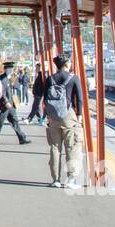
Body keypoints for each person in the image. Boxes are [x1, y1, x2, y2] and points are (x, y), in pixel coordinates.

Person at [41, 54, 85, 188]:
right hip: (68, 115)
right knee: (72, 147)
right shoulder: (73, 78)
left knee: (55, 147)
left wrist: (46, 115)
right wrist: (80, 115)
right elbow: (79, 98)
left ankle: (56, 180)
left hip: (53, 116)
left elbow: (45, 99)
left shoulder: (50, 79)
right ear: (66, 64)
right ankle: (71, 179)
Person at [0, 62, 30, 145]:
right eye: (9, 69)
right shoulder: (2, 79)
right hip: (5, 105)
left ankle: (22, 138)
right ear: (6, 69)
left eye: (12, 69)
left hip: (11, 105)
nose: (11, 71)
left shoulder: (9, 78)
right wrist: (6, 101)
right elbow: (1, 92)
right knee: (0, 121)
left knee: (14, 121)